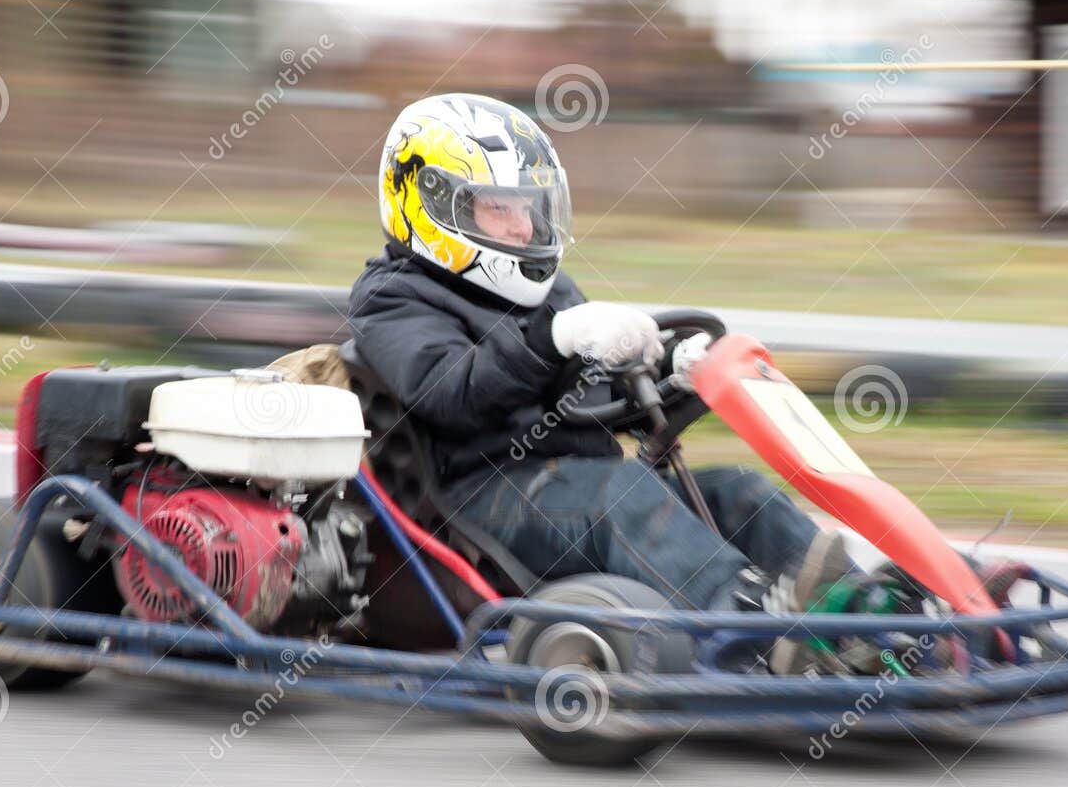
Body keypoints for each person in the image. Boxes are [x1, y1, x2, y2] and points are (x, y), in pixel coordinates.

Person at [347, 93, 857, 632]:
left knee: (738, 491)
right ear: (430, 203)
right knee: (626, 496)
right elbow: (453, 393)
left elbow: (592, 395)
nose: (523, 228)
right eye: (499, 208)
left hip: (579, 484)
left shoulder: (549, 291)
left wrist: (671, 372)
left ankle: (856, 613)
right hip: (481, 500)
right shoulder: (393, 298)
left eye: (528, 208)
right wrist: (553, 340)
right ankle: (749, 626)